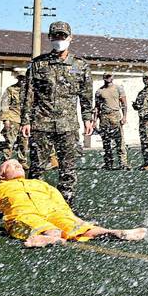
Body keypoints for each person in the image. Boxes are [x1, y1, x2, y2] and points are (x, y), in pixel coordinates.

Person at [0, 159, 147, 248]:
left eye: (19, 164)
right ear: (1, 175)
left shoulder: (40, 184)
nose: (17, 165)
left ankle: (115, 233)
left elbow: (60, 203)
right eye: (11, 165)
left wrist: (69, 217)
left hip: (53, 212)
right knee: (53, 230)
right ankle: (49, 238)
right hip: (23, 215)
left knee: (81, 227)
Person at [20, 20, 95, 204]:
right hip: (41, 123)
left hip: (68, 125)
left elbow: (86, 95)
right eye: (55, 36)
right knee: (37, 167)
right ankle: (36, 202)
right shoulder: (38, 64)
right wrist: (25, 120)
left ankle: (65, 203)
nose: (59, 39)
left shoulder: (80, 66)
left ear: (70, 38)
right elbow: (28, 93)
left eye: (63, 36)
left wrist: (87, 118)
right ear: (49, 37)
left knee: (68, 167)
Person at [94, 73, 130, 171]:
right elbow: (97, 107)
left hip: (115, 116)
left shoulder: (118, 89)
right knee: (106, 142)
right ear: (103, 78)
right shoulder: (99, 91)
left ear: (113, 77)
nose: (108, 78)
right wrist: (94, 121)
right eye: (106, 76)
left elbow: (124, 104)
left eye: (110, 76)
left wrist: (124, 117)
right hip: (104, 117)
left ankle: (123, 163)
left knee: (120, 141)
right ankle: (108, 163)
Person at [0, 69, 28, 161]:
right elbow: (4, 105)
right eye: (20, 78)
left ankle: (22, 161)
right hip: (13, 118)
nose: (22, 80)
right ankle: (6, 160)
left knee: (24, 142)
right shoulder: (10, 90)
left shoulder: (29, 91)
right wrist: (6, 120)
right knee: (9, 141)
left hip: (25, 120)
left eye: (24, 78)